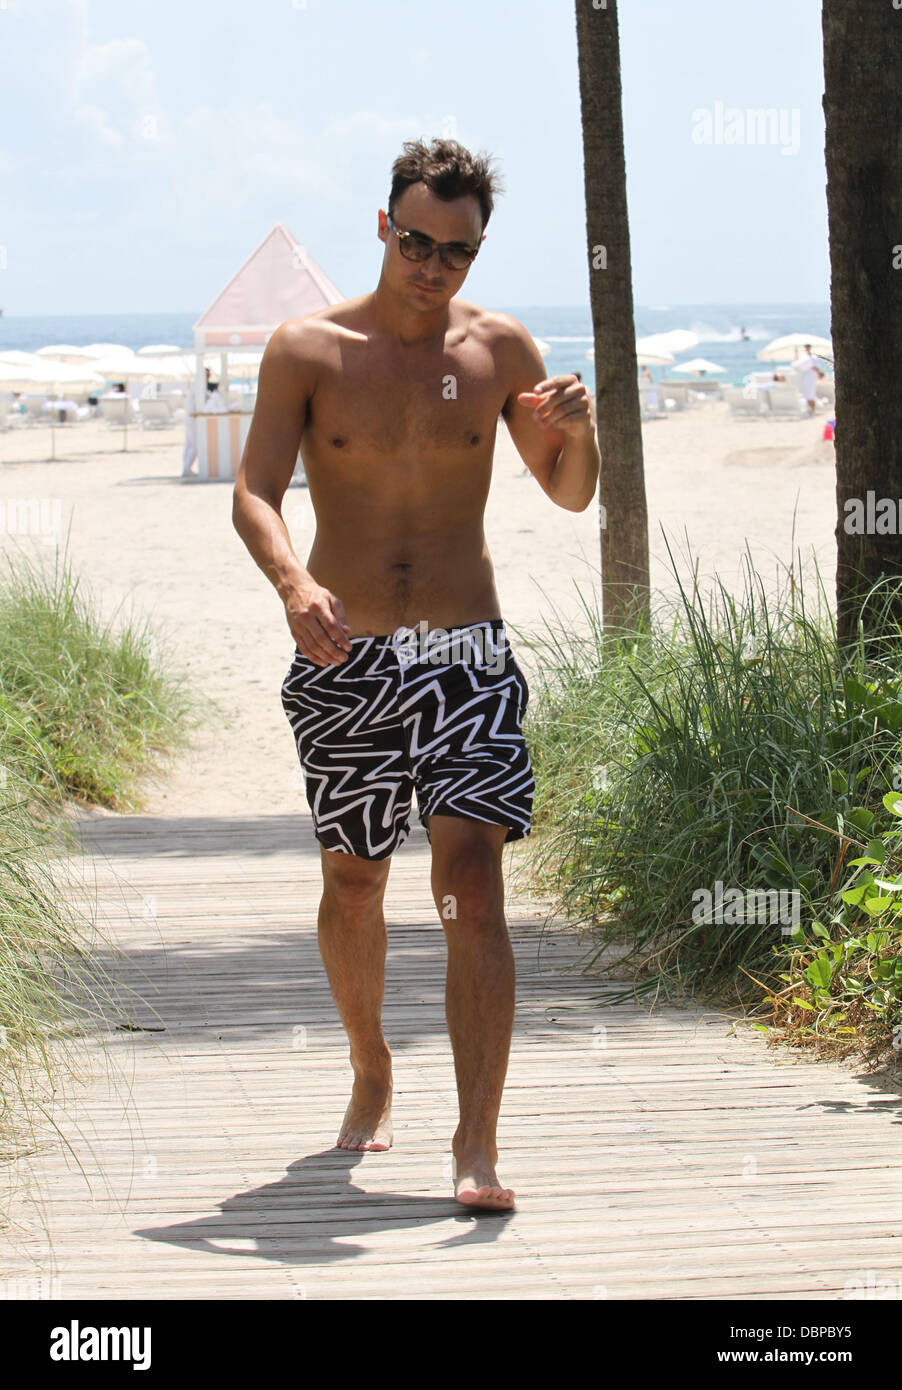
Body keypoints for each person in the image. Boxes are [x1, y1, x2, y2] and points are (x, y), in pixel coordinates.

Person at [232, 137, 600, 1212]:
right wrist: (294, 584)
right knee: (354, 882)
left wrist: (580, 438)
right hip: (342, 651)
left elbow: (568, 494)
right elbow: (253, 490)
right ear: (382, 226)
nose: (433, 264)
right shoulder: (307, 347)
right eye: (415, 240)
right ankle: (369, 1069)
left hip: (463, 652)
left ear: (476, 253)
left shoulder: (497, 350)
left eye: (456, 251)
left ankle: (475, 1144)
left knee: (470, 886)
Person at [794, 344, 821, 415]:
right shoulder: (803, 357)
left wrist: (818, 373)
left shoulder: (814, 357)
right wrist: (796, 353)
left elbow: (816, 367)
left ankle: (812, 409)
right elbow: (798, 365)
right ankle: (809, 408)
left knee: (811, 394)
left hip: (811, 378)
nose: (807, 348)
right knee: (806, 393)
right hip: (805, 377)